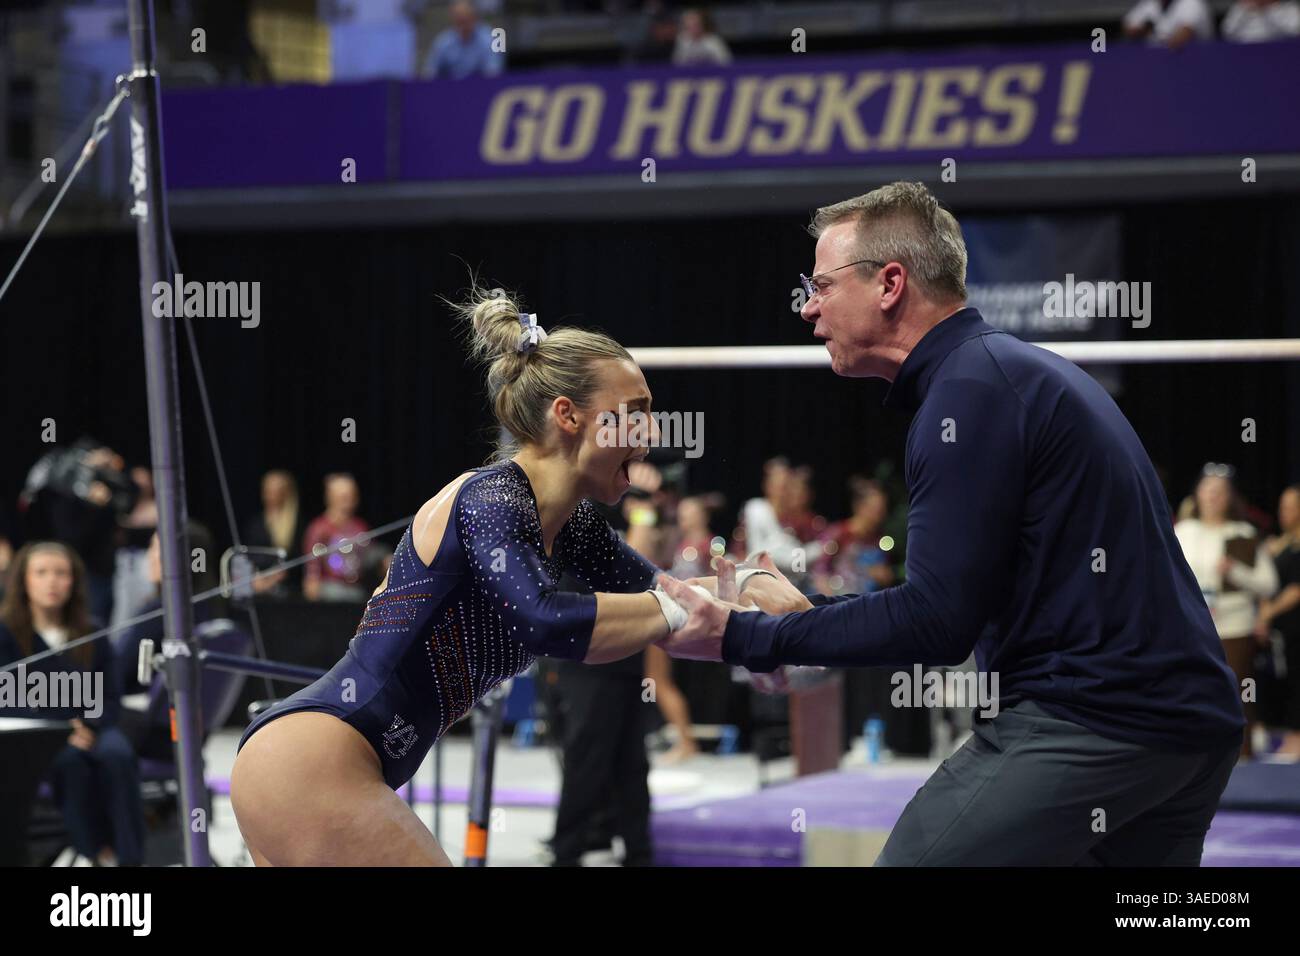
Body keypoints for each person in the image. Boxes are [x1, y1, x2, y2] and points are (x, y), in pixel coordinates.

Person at [658, 180, 1246, 866]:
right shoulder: (1004, 377)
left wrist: (754, 635)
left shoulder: (967, 396)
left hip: (1101, 721)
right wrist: (805, 624)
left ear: (890, 283)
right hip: (1186, 726)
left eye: (820, 284)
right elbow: (964, 600)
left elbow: (939, 622)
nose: (809, 308)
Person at [230, 289, 781, 866]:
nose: (651, 432)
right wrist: (691, 610)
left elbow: (660, 595)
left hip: (324, 762)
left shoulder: (572, 525)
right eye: (636, 411)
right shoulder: (492, 498)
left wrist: (751, 601)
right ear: (567, 415)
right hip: (313, 758)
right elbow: (546, 620)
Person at [0, 542, 145, 866]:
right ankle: (94, 851)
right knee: (71, 763)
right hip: (39, 735)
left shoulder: (91, 631)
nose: (52, 582)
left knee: (117, 755)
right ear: (23, 580)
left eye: (61, 573)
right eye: (41, 573)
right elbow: (5, 698)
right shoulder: (6, 632)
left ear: (74, 581)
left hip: (92, 725)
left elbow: (110, 695)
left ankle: (131, 857)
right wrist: (62, 728)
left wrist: (88, 725)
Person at [1174, 466, 1277, 756]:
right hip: (1193, 624)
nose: (1213, 496)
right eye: (1207, 489)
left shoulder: (1241, 532)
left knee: (1237, 690)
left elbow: (1268, 585)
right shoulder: (1184, 531)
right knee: (1191, 688)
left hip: (1234, 624)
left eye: (1220, 491)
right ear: (1197, 494)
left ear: (1230, 497)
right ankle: (1192, 750)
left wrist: (1237, 572)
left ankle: (1242, 752)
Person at [1256, 485, 1300, 758]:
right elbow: (1266, 584)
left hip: (1295, 624)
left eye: (1292, 506)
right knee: (1279, 679)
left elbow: (1296, 590)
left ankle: (1297, 737)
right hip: (1280, 628)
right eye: (1282, 507)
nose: (1285, 512)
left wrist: (1266, 613)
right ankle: (1281, 729)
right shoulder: (1279, 543)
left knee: (1297, 678)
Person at [301, 473, 372, 602]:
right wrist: (312, 581)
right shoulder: (319, 528)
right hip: (330, 589)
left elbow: (367, 558)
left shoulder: (360, 526)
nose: (349, 500)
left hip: (358, 588)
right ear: (330, 497)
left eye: (352, 495)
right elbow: (312, 567)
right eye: (343, 497)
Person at [243, 469, 306, 596]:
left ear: (286, 494)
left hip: (288, 588)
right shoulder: (256, 523)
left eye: (275, 492)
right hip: (257, 586)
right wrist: (256, 578)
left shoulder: (298, 524)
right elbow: (248, 555)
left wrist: (275, 578)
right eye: (267, 492)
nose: (270, 496)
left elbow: (299, 559)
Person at [422, 1, 503, 79]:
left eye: (466, 21)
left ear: (474, 18)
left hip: (481, 88)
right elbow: (429, 74)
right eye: (459, 22)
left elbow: (493, 74)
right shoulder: (443, 42)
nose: (463, 26)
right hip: (450, 89)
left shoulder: (490, 39)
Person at [1123, 0, 1214, 47]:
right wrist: (1143, 29)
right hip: (1159, 64)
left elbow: (1182, 37)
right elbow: (1128, 28)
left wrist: (1155, 34)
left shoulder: (1191, 3)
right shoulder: (1150, 4)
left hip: (1193, 65)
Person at [1222, 0, 1300, 41]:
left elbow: (1294, 30)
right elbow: (1227, 31)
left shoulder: (1290, 8)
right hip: (1245, 53)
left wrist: (1266, 9)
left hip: (1279, 52)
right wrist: (1244, 9)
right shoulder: (1240, 8)